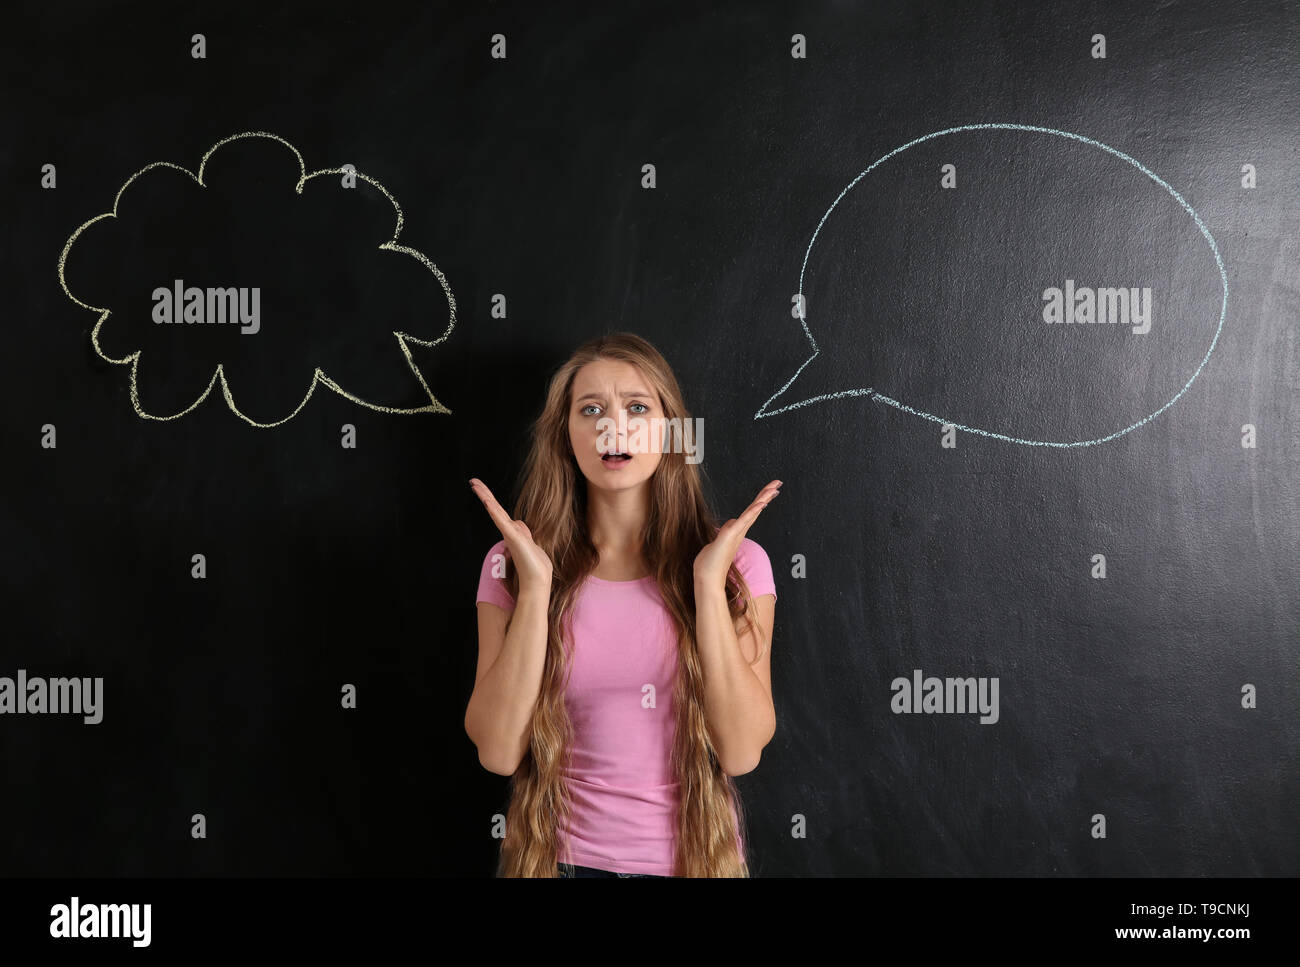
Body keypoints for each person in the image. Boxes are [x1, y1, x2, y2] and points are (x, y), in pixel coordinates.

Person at [465, 332, 780, 878]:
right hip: (558, 865)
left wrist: (706, 589)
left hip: (696, 865)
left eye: (638, 406)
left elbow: (742, 753)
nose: (614, 426)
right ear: (566, 436)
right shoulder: (513, 564)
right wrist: (537, 591)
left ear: (671, 430)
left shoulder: (735, 566)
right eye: (591, 410)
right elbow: (497, 752)